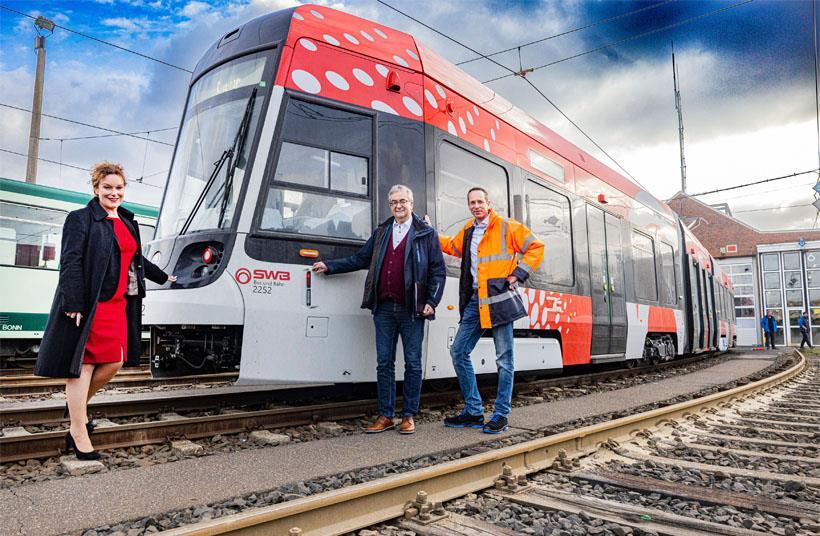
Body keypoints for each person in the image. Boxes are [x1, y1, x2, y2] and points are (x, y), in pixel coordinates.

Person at [35, 162, 176, 460]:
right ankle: (78, 431)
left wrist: (164, 277)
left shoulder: (127, 221)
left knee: (114, 361)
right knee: (82, 365)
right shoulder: (81, 219)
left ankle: (76, 409)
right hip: (90, 303)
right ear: (96, 189)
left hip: (118, 304)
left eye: (119, 187)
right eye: (108, 187)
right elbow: (70, 261)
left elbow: (136, 260)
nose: (114, 192)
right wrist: (73, 301)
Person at [312, 185, 445, 435]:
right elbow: (361, 259)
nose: (398, 206)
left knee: (413, 364)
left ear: (412, 203)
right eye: (394, 202)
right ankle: (386, 415)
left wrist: (432, 301)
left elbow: (437, 270)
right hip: (383, 308)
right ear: (390, 205)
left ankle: (408, 416)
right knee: (384, 363)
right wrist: (330, 266)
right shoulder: (382, 231)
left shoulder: (426, 234)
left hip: (412, 310)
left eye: (403, 201)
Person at [436, 187, 544, 434]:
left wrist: (518, 273)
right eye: (471, 202)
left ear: (488, 203)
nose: (476, 206)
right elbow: (453, 247)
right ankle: (474, 412)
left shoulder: (507, 226)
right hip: (475, 300)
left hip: (499, 299)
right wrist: (430, 232)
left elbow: (536, 247)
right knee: (458, 351)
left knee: (504, 359)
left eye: (479, 202)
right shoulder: (468, 229)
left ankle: (501, 415)